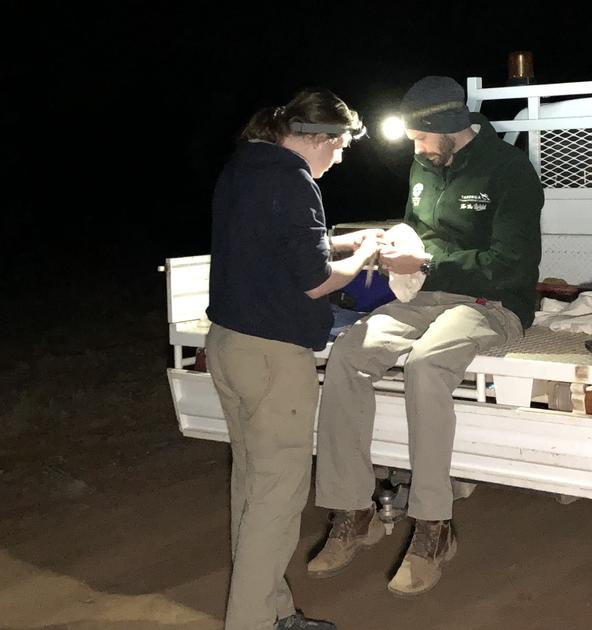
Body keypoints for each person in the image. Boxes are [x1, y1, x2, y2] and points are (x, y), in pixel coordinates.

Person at [308, 75, 544, 596]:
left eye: (418, 136)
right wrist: (391, 243)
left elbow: (512, 266)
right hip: (425, 294)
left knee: (427, 363)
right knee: (348, 354)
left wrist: (430, 262)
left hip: (492, 302)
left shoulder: (510, 172)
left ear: (446, 126)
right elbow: (421, 231)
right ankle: (353, 509)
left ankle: (434, 527)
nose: (414, 147)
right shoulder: (426, 164)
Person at [206, 88, 384, 630]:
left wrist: (346, 244)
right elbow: (314, 283)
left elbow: (281, 246)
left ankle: (276, 612)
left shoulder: (244, 168)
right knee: (277, 505)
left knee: (252, 491)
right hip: (272, 359)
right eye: (340, 148)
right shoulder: (292, 180)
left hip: (229, 345)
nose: (338, 159)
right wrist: (366, 258)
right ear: (321, 139)